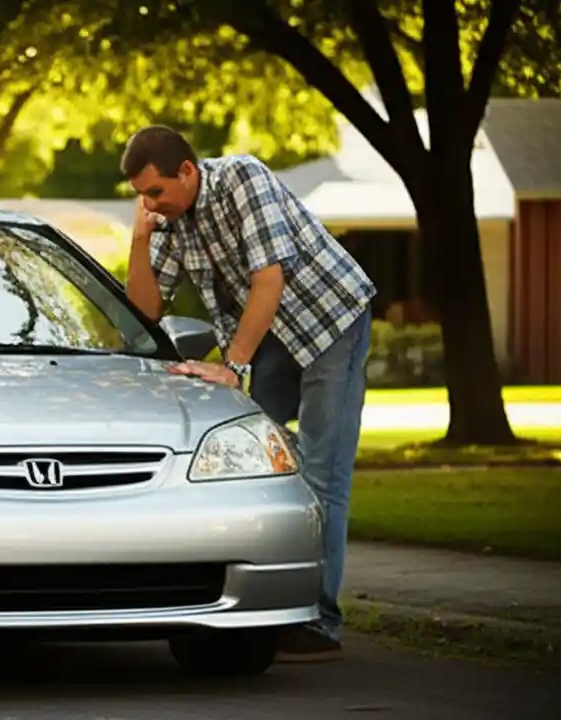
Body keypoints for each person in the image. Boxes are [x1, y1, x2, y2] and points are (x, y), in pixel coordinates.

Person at [120, 124, 376, 662]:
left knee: (322, 469)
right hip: (272, 334)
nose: (150, 203)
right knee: (258, 465)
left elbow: (269, 279)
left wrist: (233, 365)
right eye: (142, 196)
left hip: (331, 320)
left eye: (155, 192)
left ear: (186, 172)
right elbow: (145, 309)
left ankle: (319, 622)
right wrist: (140, 238)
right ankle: (265, 604)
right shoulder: (170, 220)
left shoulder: (243, 178)